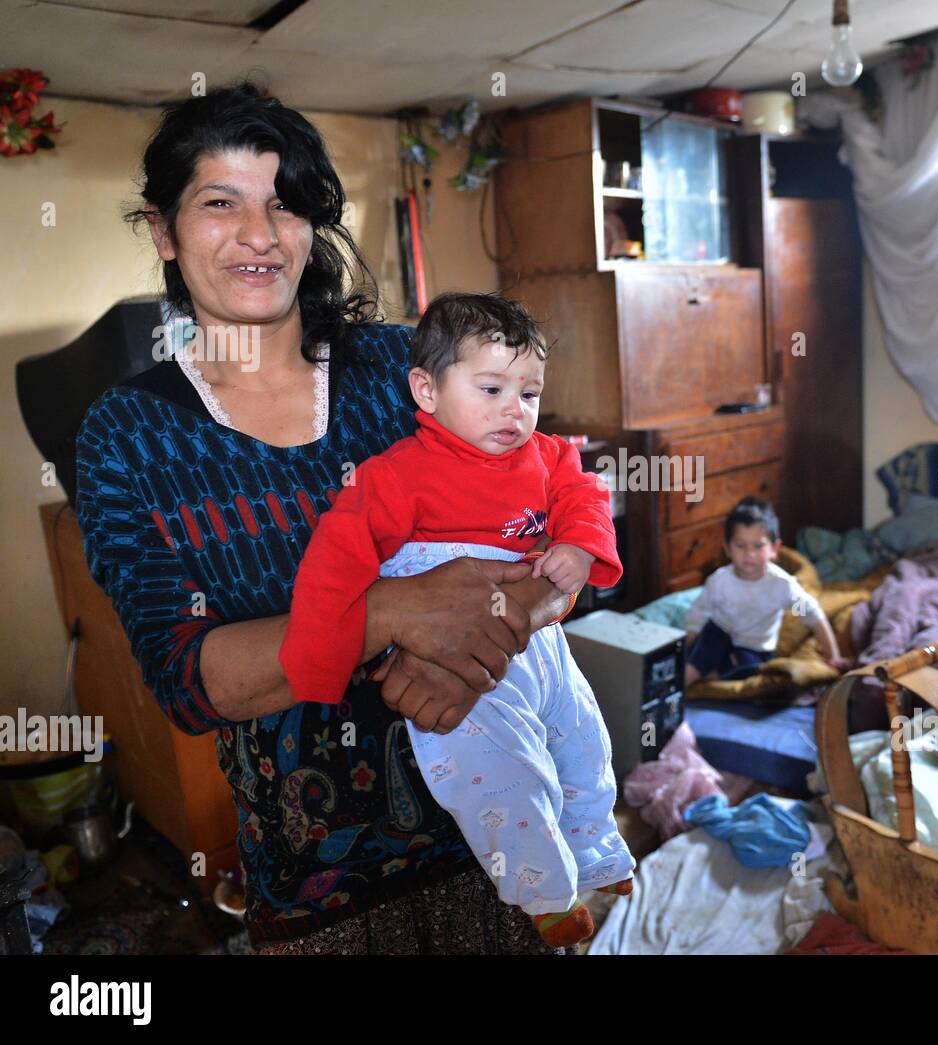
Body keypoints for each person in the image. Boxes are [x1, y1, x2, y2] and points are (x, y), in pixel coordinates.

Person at [74, 83, 575, 954]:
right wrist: (386, 611)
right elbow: (191, 679)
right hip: (318, 894)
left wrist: (493, 633)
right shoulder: (127, 436)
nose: (261, 236)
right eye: (220, 203)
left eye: (285, 204)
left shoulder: (409, 372)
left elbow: (557, 529)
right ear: (162, 230)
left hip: (500, 831)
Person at [278, 292, 636, 946]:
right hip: (457, 663)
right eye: (493, 386)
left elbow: (585, 492)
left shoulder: (548, 455)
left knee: (585, 739)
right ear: (427, 389)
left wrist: (581, 546)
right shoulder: (396, 476)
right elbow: (334, 561)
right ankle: (544, 893)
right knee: (503, 777)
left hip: (544, 646)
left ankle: (595, 844)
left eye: (529, 392)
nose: (515, 409)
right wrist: (318, 661)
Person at [683, 497, 848, 687]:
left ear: (774, 549)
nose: (749, 554)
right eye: (741, 546)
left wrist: (833, 656)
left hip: (754, 650)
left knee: (753, 675)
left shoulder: (781, 586)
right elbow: (698, 615)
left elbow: (811, 614)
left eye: (758, 546)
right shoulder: (720, 581)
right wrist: (688, 644)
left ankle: (711, 675)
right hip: (716, 641)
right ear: (727, 548)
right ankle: (687, 678)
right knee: (712, 636)